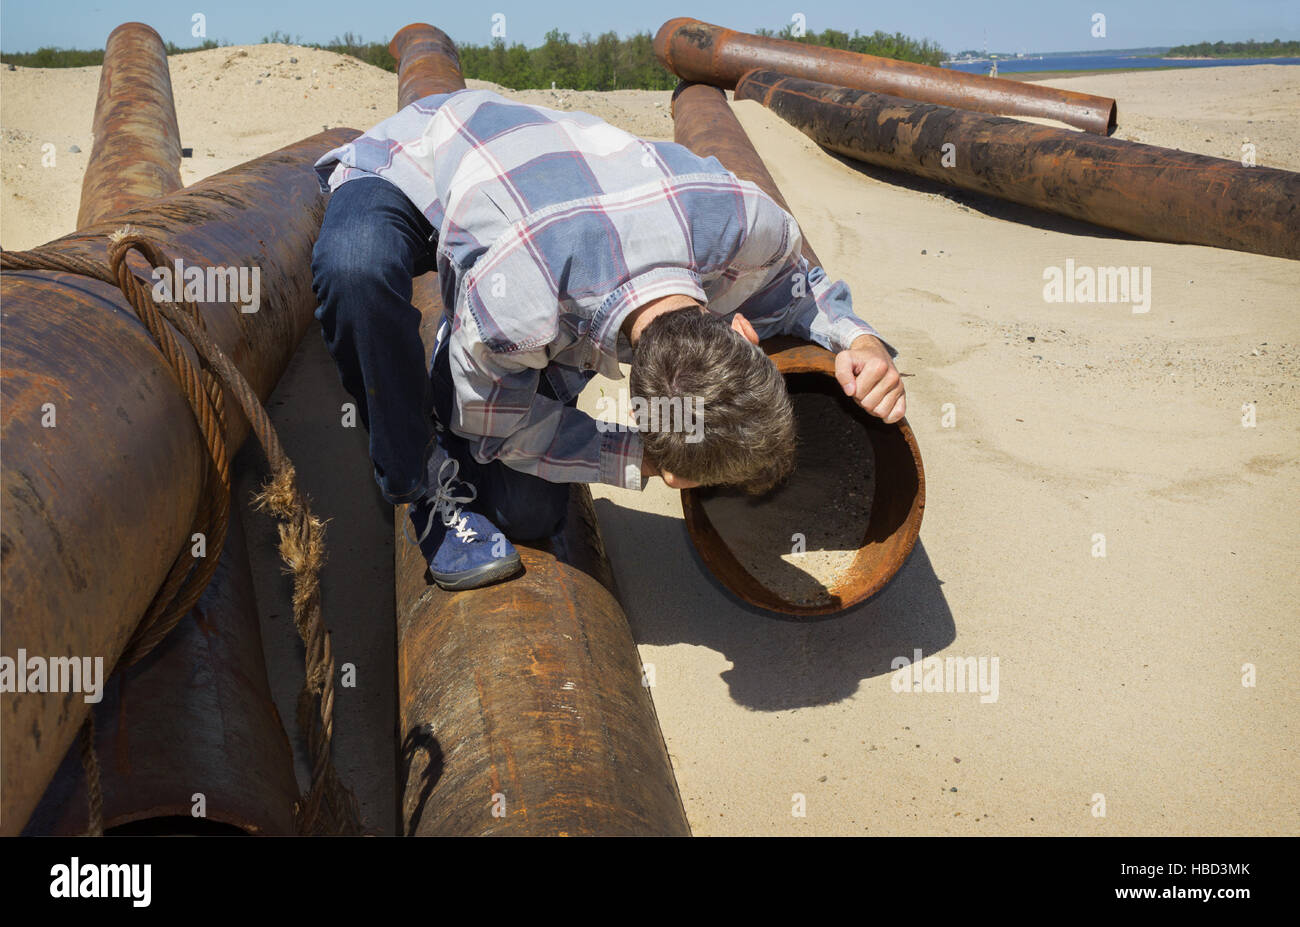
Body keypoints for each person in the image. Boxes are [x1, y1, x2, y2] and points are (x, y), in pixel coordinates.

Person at [310, 88, 905, 591]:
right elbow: (489, 421)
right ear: (743, 327)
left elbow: (805, 290)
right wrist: (642, 457)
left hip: (555, 179)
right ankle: (412, 476)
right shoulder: (520, 304)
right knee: (354, 268)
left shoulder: (748, 223)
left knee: (529, 511)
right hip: (424, 156)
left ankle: (465, 362)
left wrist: (861, 342)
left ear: (743, 331)